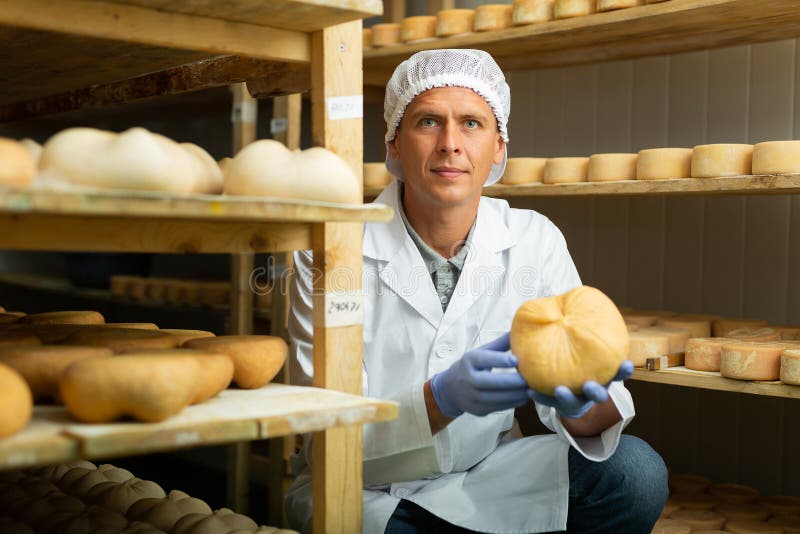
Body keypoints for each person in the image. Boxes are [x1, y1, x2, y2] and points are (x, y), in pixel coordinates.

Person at [286, 49, 668, 533]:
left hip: (491, 476)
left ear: (499, 148)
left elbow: (588, 423)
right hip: (370, 490)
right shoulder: (330, 251)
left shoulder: (534, 238)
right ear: (395, 144)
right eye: (428, 122)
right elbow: (326, 436)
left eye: (471, 123)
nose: (450, 144)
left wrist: (584, 402)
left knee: (635, 474)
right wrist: (439, 400)